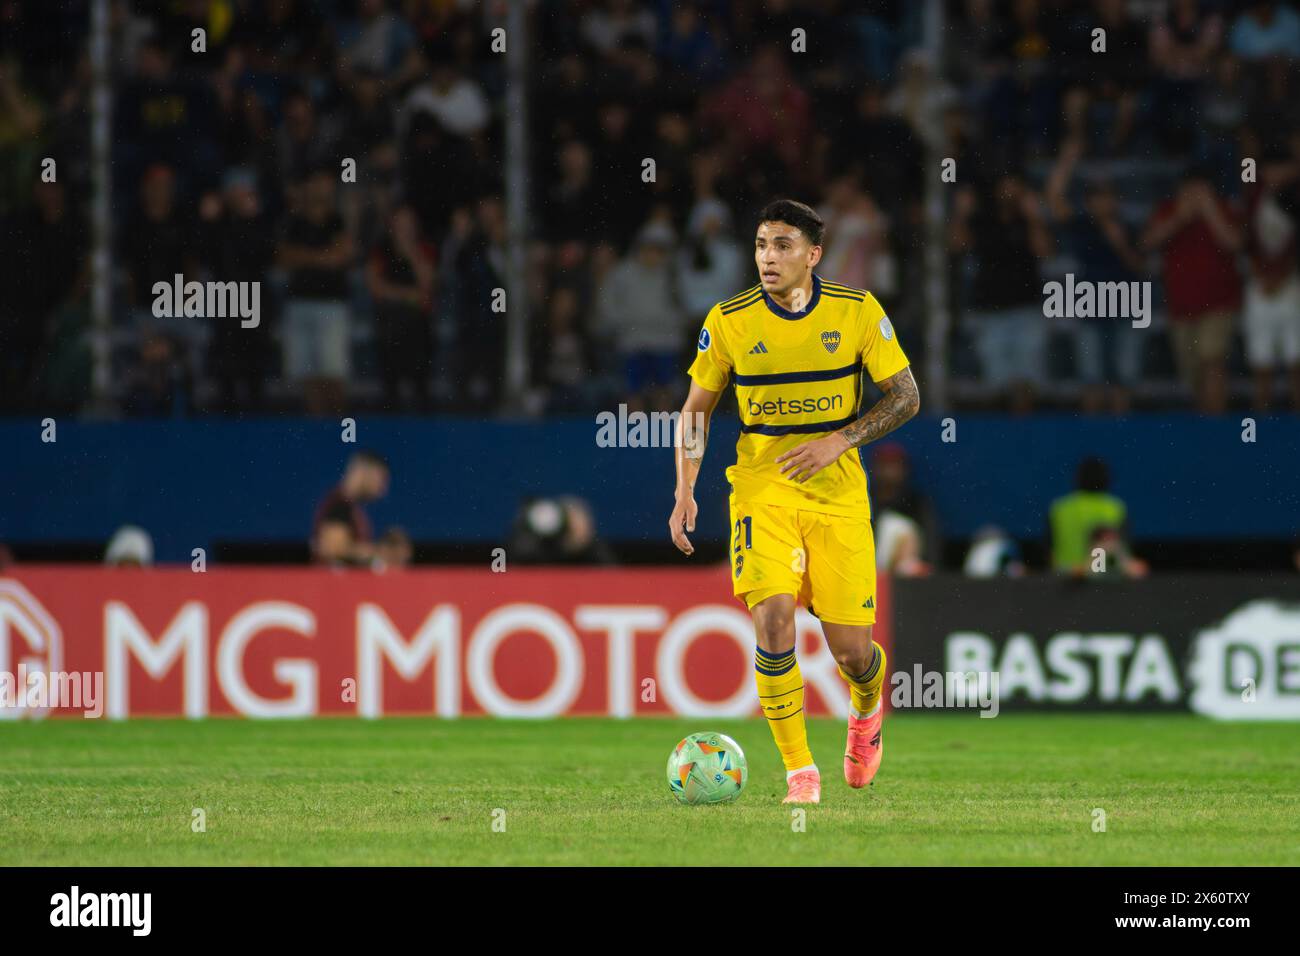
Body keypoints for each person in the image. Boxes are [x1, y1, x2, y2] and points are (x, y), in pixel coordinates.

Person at [669, 199, 920, 805]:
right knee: (773, 616)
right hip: (762, 484)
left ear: (813, 255)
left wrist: (842, 438)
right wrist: (684, 489)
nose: (768, 258)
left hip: (838, 491)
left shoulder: (857, 311)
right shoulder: (729, 321)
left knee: (852, 652)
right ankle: (800, 773)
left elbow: (907, 396)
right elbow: (696, 411)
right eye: (760, 245)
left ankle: (866, 711)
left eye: (782, 246)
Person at [1048, 457, 1145, 578]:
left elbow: (1049, 548)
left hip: (1064, 578)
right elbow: (1123, 549)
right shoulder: (1116, 508)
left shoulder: (1060, 507)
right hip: (1102, 580)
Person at [312, 450, 390, 566]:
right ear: (364, 473)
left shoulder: (349, 505)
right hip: (331, 583)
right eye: (381, 479)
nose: (383, 490)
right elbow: (330, 548)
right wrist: (374, 553)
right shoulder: (339, 502)